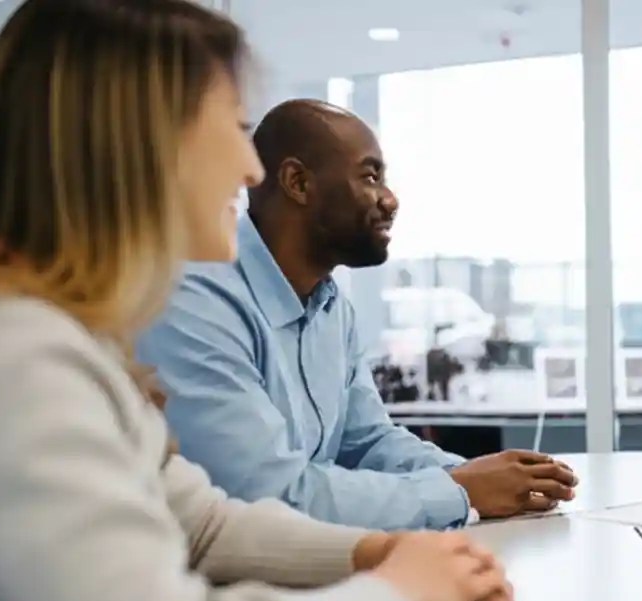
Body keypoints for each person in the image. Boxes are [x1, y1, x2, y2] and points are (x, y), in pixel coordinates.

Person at [0, 2, 512, 601]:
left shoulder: (61, 333)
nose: (250, 168)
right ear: (137, 143)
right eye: (233, 128)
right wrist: (401, 594)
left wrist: (372, 553)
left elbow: (205, 524)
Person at [136, 99, 577, 530]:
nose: (390, 200)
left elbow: (364, 443)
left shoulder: (331, 306)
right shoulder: (195, 298)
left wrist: (485, 478)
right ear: (298, 183)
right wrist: (460, 490)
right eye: (370, 176)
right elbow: (266, 495)